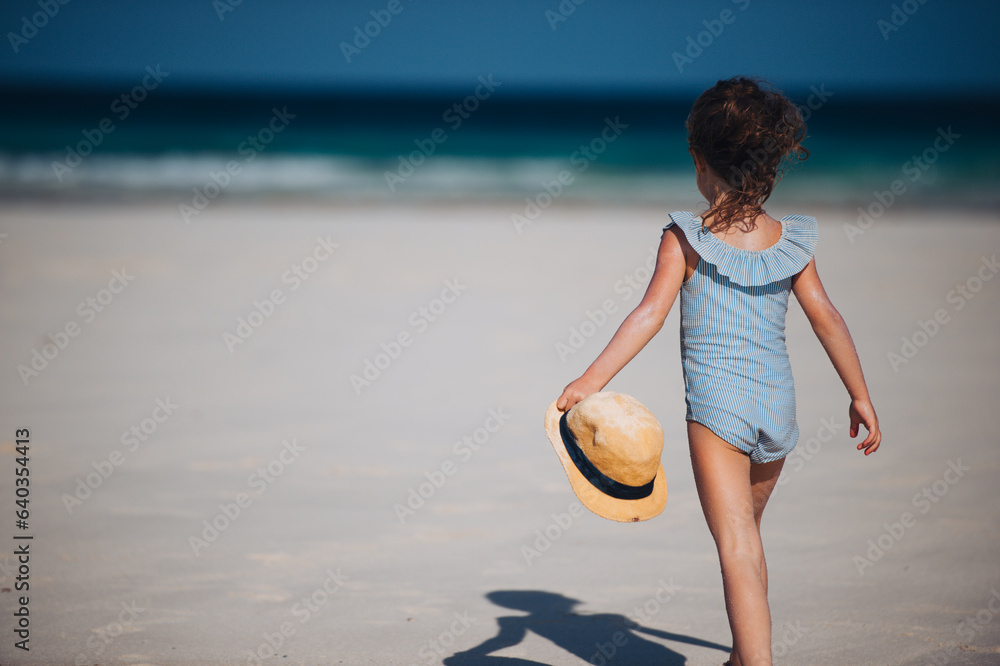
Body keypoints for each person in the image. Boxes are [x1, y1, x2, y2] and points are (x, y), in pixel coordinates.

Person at [554, 76, 881, 666]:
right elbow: (827, 318)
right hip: (778, 407)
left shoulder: (686, 238)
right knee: (748, 540)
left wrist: (590, 380)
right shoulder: (790, 241)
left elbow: (649, 315)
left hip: (717, 411)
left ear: (700, 161)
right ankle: (741, 655)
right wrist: (859, 394)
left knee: (735, 547)